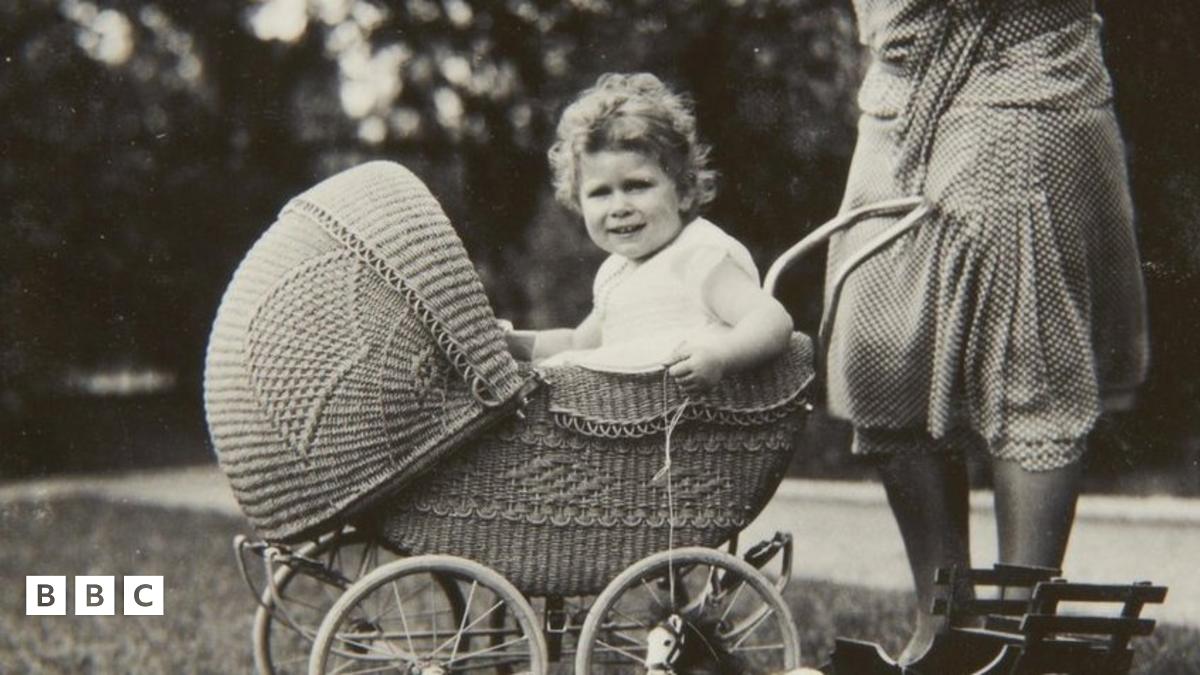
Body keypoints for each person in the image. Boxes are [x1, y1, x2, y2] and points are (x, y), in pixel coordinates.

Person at [828, 0, 1148, 665]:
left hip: (1021, 76)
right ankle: (948, 625)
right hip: (900, 83)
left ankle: (1020, 634)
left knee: (1026, 358)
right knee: (876, 352)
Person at [504, 72, 793, 395]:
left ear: (683, 191)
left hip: (692, 419)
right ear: (578, 203)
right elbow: (577, 342)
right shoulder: (617, 271)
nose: (619, 206)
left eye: (637, 186)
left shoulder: (697, 255)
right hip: (627, 424)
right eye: (600, 193)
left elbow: (770, 318)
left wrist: (720, 357)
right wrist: (512, 343)